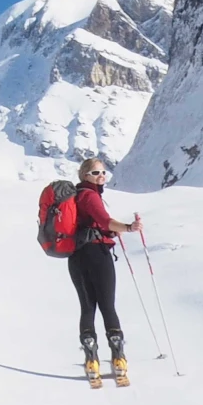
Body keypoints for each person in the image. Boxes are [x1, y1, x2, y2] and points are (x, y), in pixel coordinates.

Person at [70, 158, 142, 383]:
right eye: (95, 173)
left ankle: (91, 361)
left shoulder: (76, 196)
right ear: (85, 175)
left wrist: (107, 232)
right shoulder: (90, 196)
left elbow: (91, 224)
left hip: (76, 256)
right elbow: (104, 220)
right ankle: (118, 359)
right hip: (98, 255)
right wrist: (128, 227)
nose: (101, 175)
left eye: (103, 172)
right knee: (107, 306)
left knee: (87, 308)